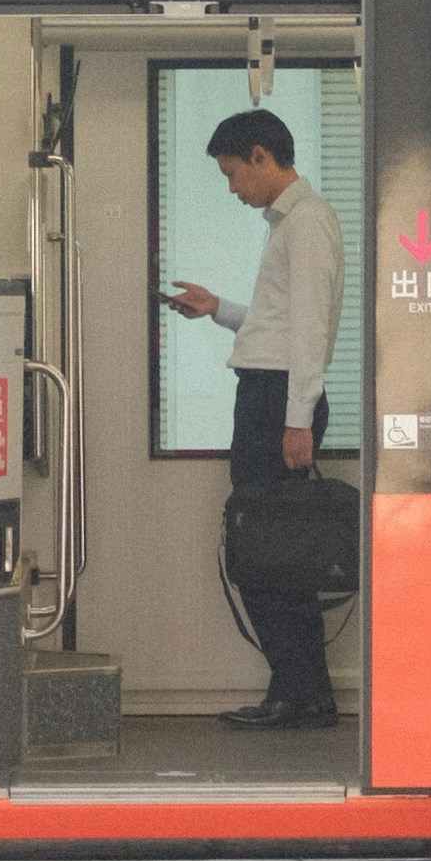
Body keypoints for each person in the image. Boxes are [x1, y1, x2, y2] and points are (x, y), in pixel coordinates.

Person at [164, 108, 347, 732]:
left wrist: (296, 421)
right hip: (273, 395)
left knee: (271, 550)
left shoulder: (308, 224)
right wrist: (218, 309)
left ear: (264, 157)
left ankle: (298, 695)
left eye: (233, 172)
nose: (232, 187)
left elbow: (310, 332)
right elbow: (281, 325)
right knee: (272, 549)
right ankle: (301, 692)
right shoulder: (293, 225)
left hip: (278, 403)